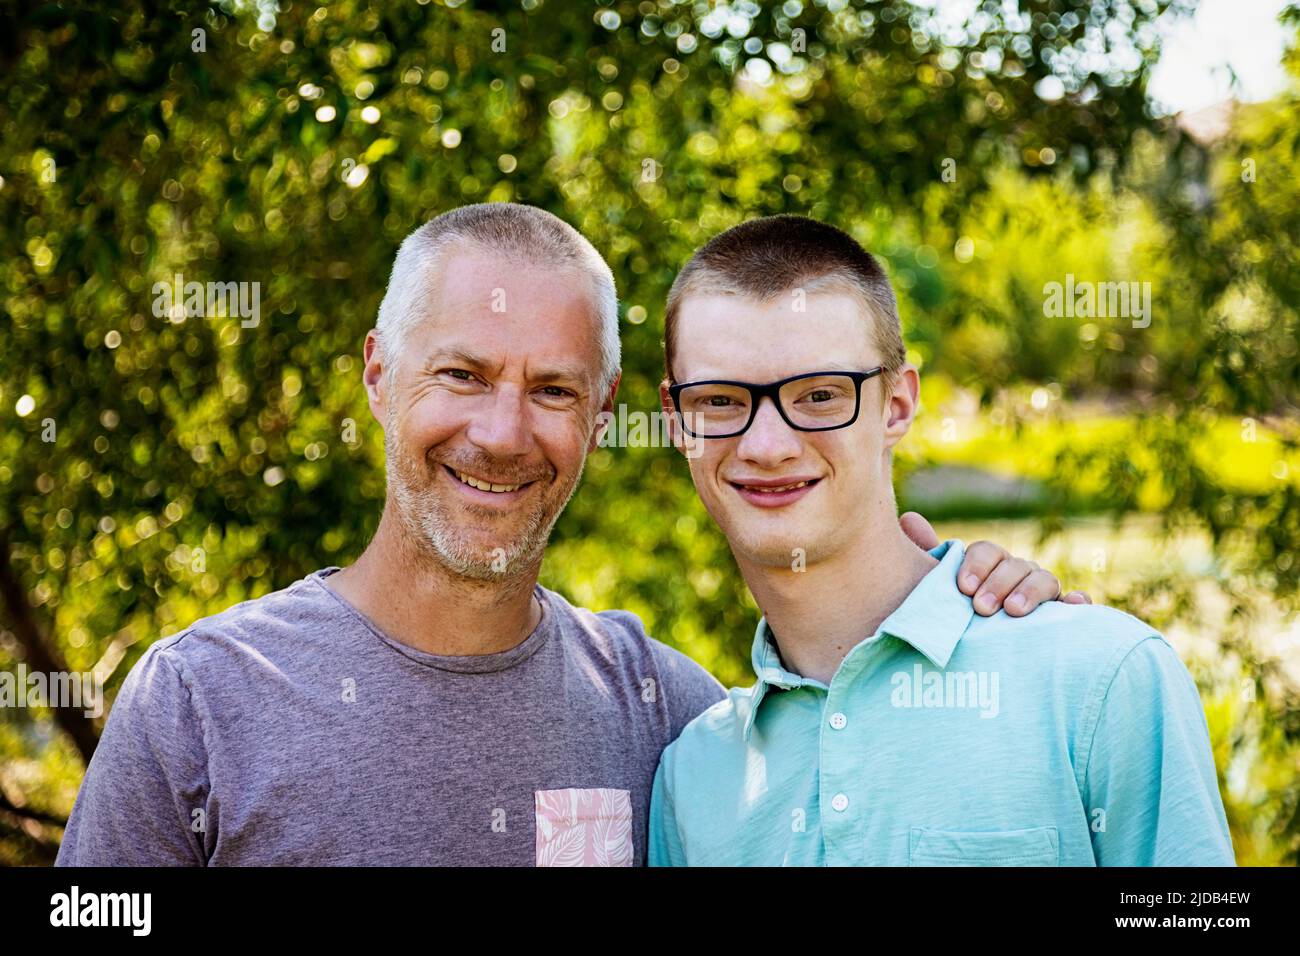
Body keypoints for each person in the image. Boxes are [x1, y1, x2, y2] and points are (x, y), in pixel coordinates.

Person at [57, 204, 1074, 866]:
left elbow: (875, 756)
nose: (499, 433)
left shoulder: (666, 713)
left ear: (604, 413)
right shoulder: (200, 702)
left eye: (551, 389)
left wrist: (979, 609)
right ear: (377, 373)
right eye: (460, 374)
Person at [648, 215, 1234, 866]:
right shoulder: (691, 779)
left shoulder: (1099, 679)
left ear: (896, 405)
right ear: (677, 421)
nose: (767, 445)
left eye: (818, 394)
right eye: (722, 402)